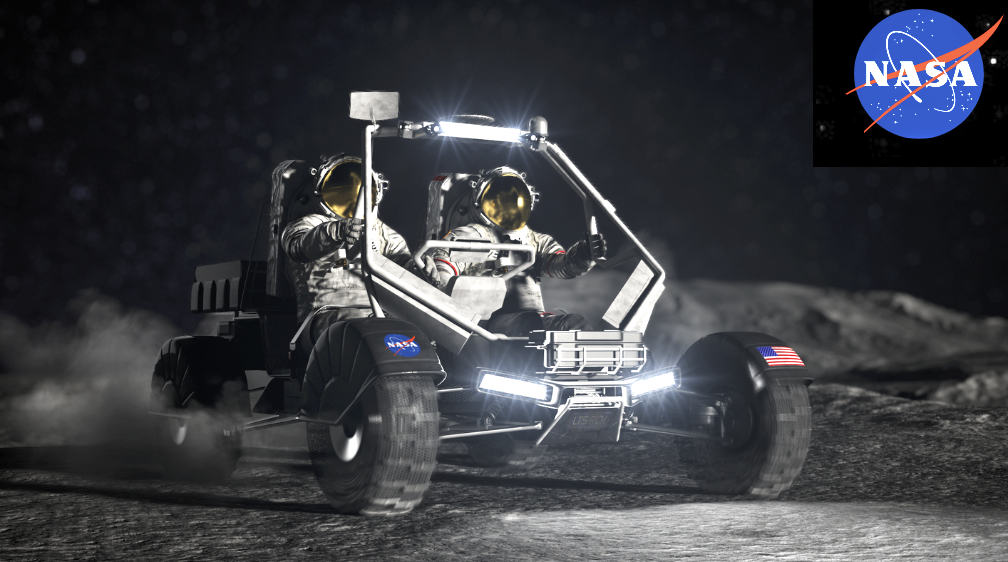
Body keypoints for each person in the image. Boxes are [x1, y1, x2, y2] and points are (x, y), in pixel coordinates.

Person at [421, 166, 605, 336]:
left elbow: (563, 266)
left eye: (514, 202)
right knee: (533, 326)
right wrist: (441, 289)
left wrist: (584, 254)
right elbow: (443, 273)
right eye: (502, 202)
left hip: (530, 320)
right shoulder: (474, 236)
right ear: (480, 203)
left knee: (574, 325)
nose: (509, 209)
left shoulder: (534, 240)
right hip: (485, 324)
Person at [281, 154, 411, 345]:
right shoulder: (307, 225)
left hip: (376, 315)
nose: (352, 195)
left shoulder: (384, 234)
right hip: (322, 317)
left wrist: (420, 269)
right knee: (351, 321)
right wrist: (336, 231)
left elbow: (404, 271)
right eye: (342, 186)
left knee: (410, 326)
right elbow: (299, 247)